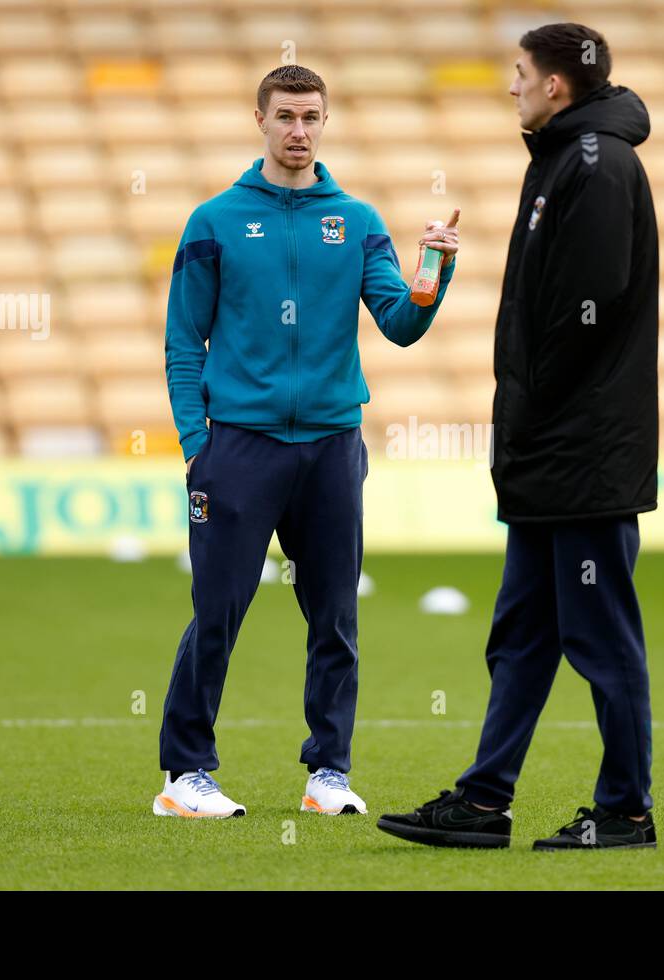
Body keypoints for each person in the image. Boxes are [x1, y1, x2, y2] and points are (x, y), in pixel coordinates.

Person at [377, 23, 659, 850]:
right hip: (550, 453)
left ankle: (626, 812)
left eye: (520, 73)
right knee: (523, 634)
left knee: (600, 637)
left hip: (582, 454)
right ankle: (484, 799)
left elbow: (588, 310)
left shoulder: (598, 168)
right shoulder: (568, 159)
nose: (512, 86)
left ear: (556, 88)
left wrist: (534, 410)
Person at [155, 65, 459, 820]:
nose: (299, 130)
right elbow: (182, 340)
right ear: (258, 117)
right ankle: (185, 774)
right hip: (240, 448)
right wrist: (199, 442)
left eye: (312, 117)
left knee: (335, 618)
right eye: (286, 115)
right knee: (217, 610)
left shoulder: (355, 221)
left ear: (326, 122)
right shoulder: (214, 221)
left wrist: (435, 269)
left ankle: (328, 771)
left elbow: (401, 323)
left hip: (330, 447)